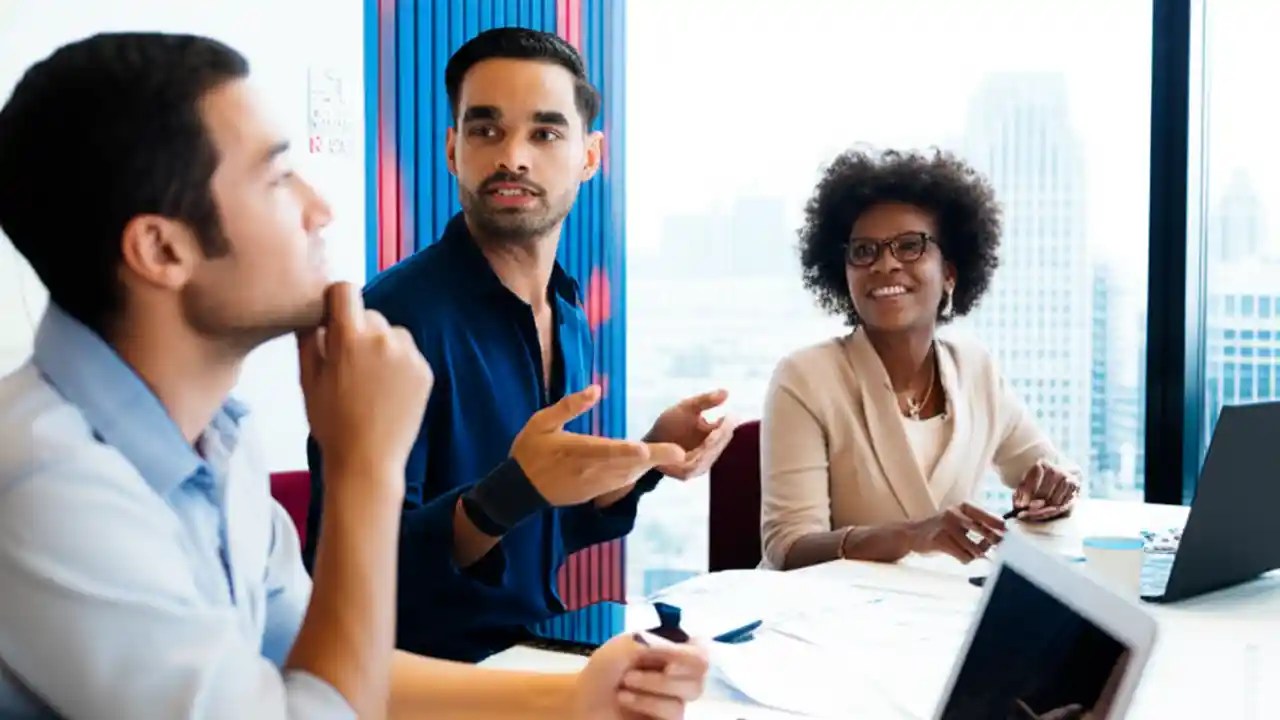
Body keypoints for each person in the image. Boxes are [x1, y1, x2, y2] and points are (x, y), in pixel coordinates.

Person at [0, 32, 706, 719]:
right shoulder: (45, 482)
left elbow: (324, 666)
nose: (321, 208)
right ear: (160, 248)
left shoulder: (220, 443)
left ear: (589, 156)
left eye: (546, 134)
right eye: (277, 177)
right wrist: (365, 460)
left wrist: (578, 696)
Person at [303, 27, 736, 663]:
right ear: (453, 149)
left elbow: (543, 533)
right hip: (423, 680)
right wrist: (509, 492)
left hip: (539, 650)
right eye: (485, 130)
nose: (513, 157)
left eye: (544, 132)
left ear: (590, 157)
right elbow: (346, 572)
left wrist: (643, 462)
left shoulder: (566, 313)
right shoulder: (390, 321)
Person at [760, 148, 1082, 571]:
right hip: (826, 619)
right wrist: (912, 535)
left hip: (933, 609)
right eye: (864, 251)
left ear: (950, 271)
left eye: (910, 246)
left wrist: (1056, 488)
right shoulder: (805, 377)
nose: (885, 264)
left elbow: (1047, 473)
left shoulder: (976, 368)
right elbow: (789, 547)